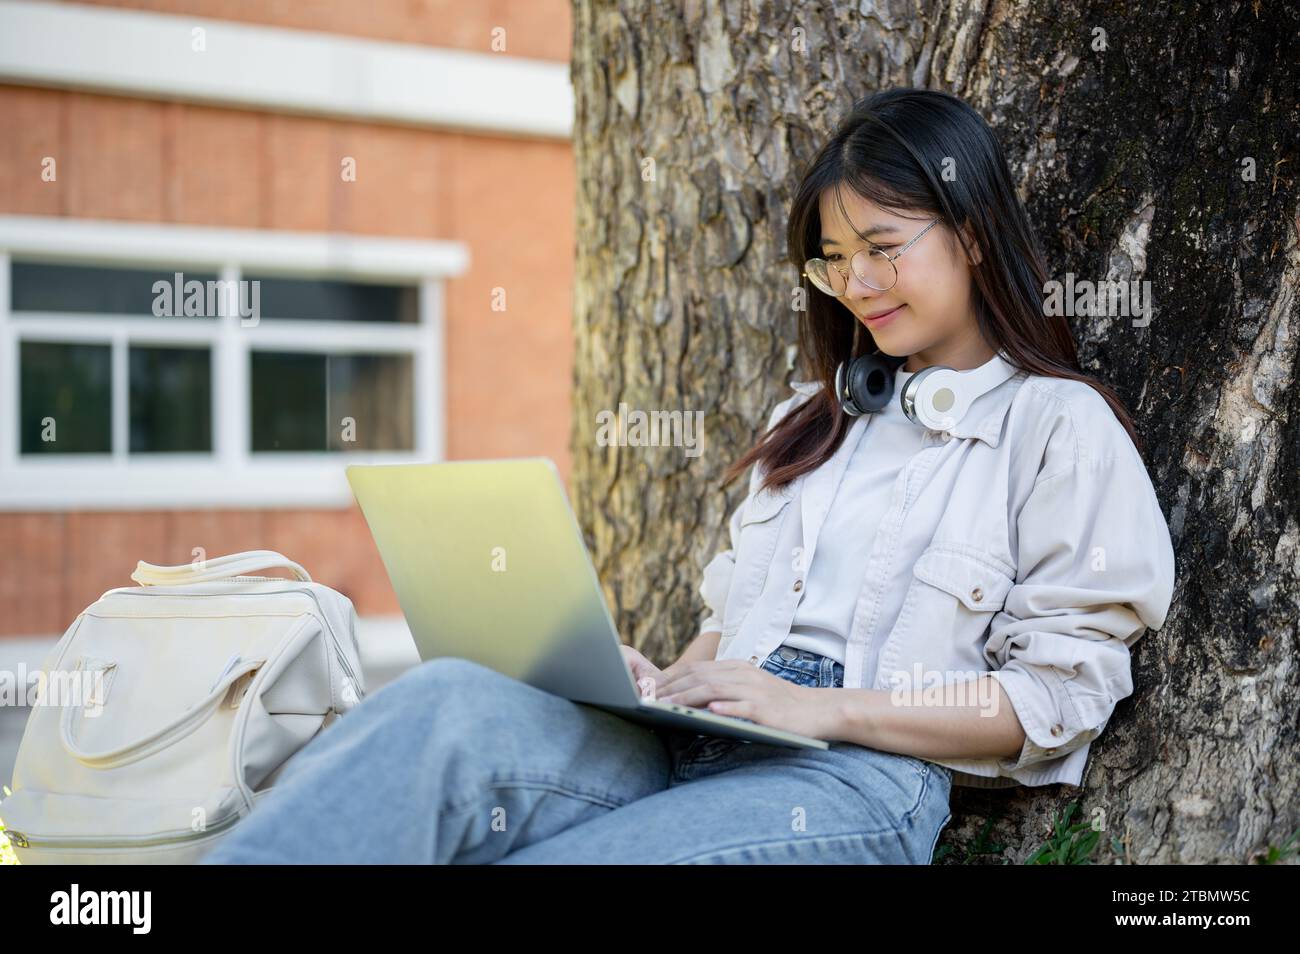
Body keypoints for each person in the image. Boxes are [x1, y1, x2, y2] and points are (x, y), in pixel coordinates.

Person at [201, 87, 1175, 865]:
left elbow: (1057, 697)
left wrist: (824, 708)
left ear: (969, 233)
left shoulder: (1054, 427)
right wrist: (658, 683)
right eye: (832, 260)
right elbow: (732, 621)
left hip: (850, 780)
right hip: (687, 736)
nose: (857, 284)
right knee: (441, 703)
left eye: (882, 248)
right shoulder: (811, 423)